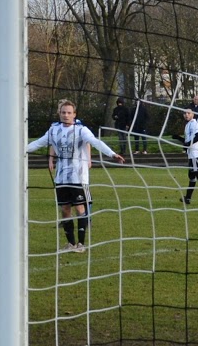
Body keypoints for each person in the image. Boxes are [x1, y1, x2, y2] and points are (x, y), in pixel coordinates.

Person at [25, 100, 124, 253]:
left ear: (74, 114)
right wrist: (19, 150)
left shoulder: (81, 130)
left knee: (80, 208)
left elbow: (95, 142)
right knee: (65, 210)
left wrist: (111, 154)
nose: (66, 115)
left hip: (79, 178)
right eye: (63, 112)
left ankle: (81, 244)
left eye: (69, 113)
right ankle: (70, 243)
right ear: (59, 114)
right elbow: (37, 143)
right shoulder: (53, 130)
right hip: (61, 178)